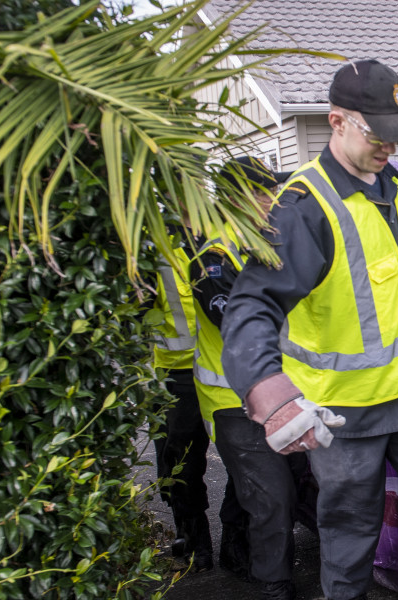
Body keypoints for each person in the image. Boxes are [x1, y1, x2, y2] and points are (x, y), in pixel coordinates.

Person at [218, 60, 398, 600]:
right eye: (377, 134)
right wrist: (272, 396)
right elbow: (251, 305)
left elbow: (381, 264)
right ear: (336, 121)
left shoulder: (395, 184)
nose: (389, 146)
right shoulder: (304, 208)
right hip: (347, 415)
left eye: (396, 134)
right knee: (350, 541)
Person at [190, 157, 301, 599]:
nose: (271, 199)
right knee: (272, 493)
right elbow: (241, 323)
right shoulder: (212, 257)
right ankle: (276, 582)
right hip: (232, 398)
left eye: (271, 189)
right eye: (261, 191)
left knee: (262, 481)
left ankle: (237, 547)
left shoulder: (273, 243)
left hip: (283, 389)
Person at [147, 226, 244, 574]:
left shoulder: (227, 236)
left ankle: (235, 541)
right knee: (181, 465)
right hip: (178, 375)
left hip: (223, 371)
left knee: (246, 461)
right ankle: (194, 541)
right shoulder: (154, 244)